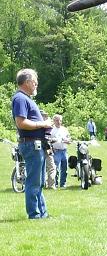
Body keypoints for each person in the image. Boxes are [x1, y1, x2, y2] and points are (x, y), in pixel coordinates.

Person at [11, 68, 53, 219]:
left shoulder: (25, 99)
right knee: (34, 182)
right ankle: (34, 214)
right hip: (31, 144)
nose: (36, 85)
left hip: (36, 144)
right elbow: (21, 123)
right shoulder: (20, 99)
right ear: (27, 82)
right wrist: (42, 124)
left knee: (39, 181)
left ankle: (42, 213)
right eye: (35, 82)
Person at [50, 113, 71, 188]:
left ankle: (63, 183)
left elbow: (69, 140)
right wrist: (53, 141)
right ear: (54, 121)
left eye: (60, 120)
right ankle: (55, 183)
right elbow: (49, 140)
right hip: (56, 151)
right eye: (57, 120)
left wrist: (66, 140)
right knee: (56, 168)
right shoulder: (51, 130)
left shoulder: (64, 129)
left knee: (65, 168)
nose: (58, 122)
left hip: (64, 150)